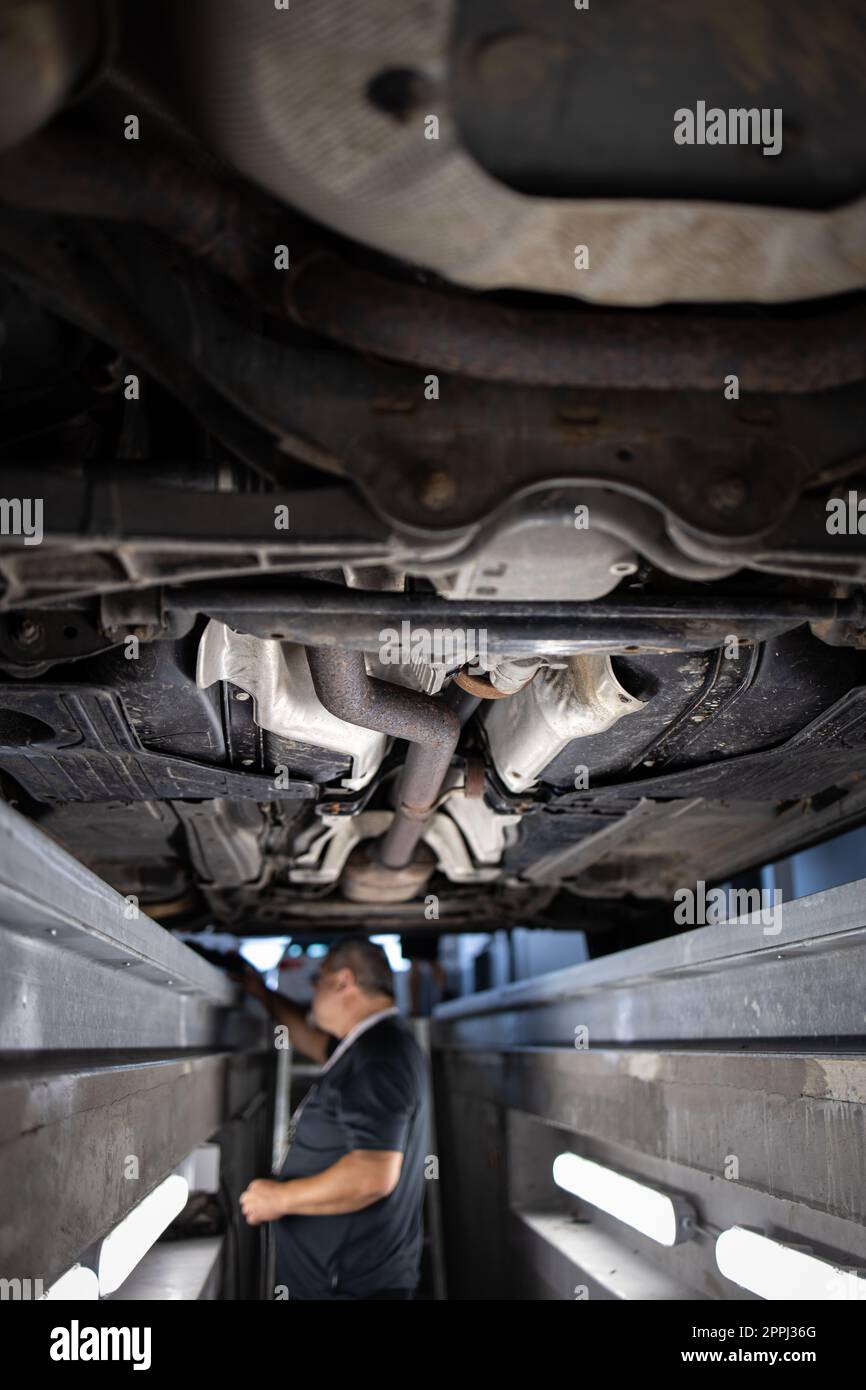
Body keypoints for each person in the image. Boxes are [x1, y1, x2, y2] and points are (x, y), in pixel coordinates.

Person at [238, 937, 429, 1300]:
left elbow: (373, 1175)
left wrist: (279, 1198)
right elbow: (312, 1039)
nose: (312, 990)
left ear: (343, 982)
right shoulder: (372, 1044)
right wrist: (261, 992)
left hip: (349, 1285)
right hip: (351, 1281)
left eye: (317, 979)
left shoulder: (376, 1057)